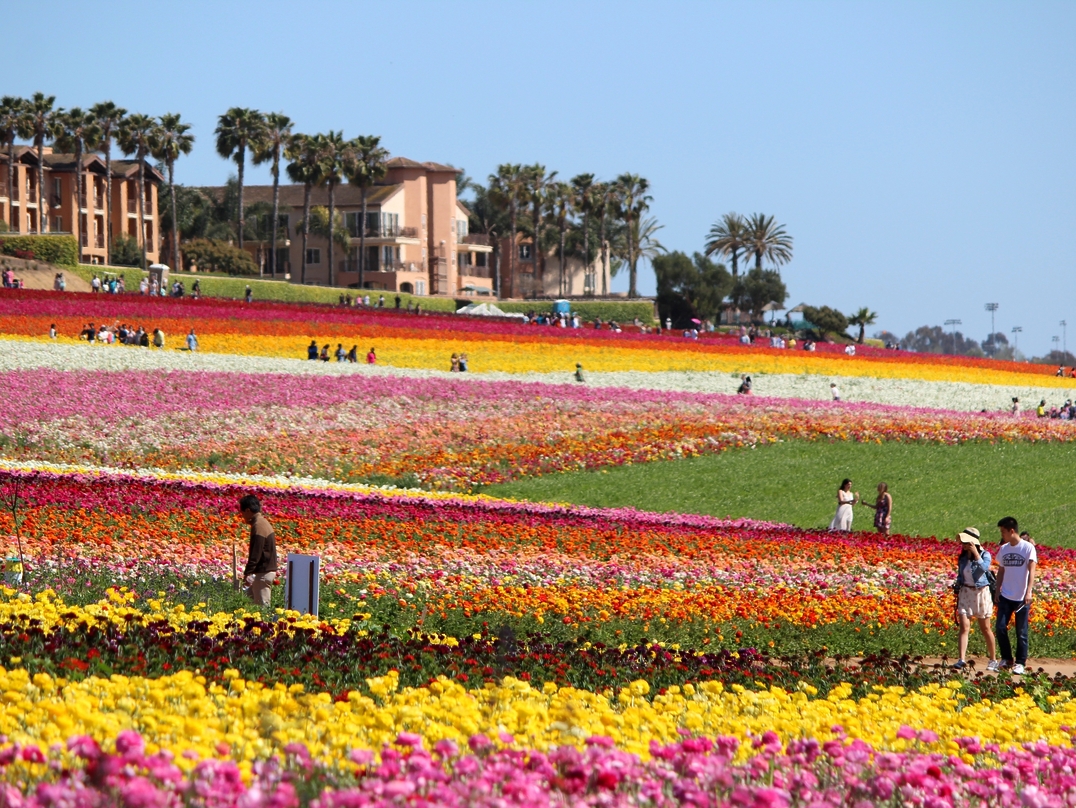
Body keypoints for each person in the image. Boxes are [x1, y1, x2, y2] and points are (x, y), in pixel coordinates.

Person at [994, 516, 1036, 675]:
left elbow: (1032, 570)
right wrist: (998, 589)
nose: (1002, 535)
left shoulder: (1027, 548)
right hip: (1006, 595)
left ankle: (1020, 662)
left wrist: (1029, 591)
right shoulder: (1004, 549)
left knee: (1021, 632)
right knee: (1000, 628)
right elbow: (1001, 570)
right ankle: (1006, 658)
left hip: (1022, 598)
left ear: (1012, 531)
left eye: (1003, 532)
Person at [952, 527, 998, 670]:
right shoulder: (963, 557)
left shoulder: (985, 555)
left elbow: (983, 568)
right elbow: (962, 574)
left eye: (966, 542)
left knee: (985, 628)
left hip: (981, 593)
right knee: (964, 627)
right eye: (963, 543)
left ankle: (993, 659)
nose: (963, 545)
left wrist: (975, 554)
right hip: (966, 592)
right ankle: (961, 659)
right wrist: (957, 585)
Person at [237, 494, 278, 606]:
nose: (243, 516)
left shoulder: (258, 525)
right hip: (265, 571)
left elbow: (256, 552)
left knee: (262, 607)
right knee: (249, 600)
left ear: (248, 510)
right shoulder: (262, 522)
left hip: (264, 572)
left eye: (242, 513)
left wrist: (248, 573)